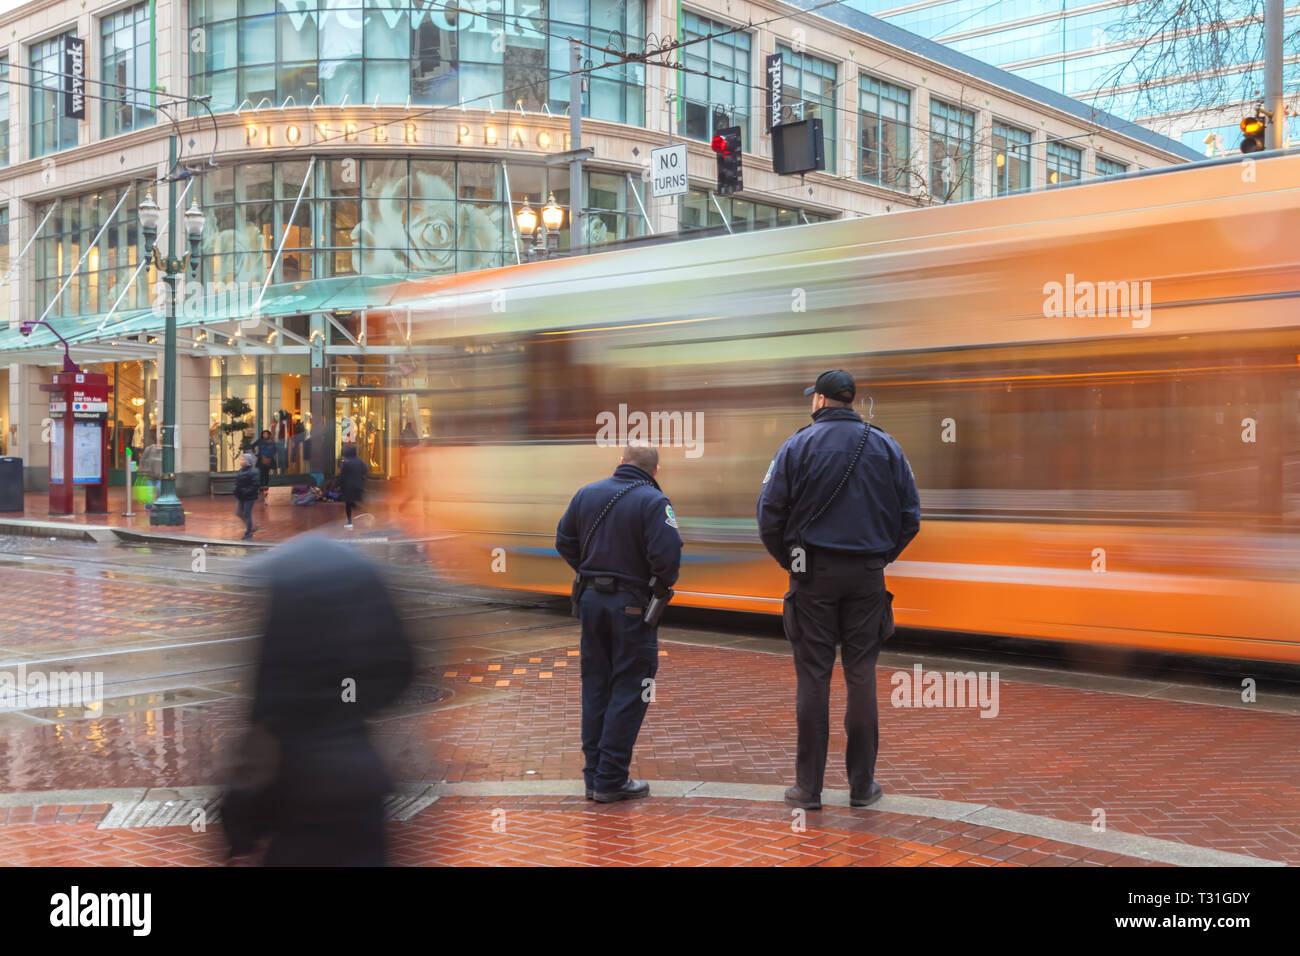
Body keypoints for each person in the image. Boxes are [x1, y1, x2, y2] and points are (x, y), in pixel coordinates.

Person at [756, 370, 920, 812]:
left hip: (813, 576)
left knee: (813, 677)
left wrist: (793, 561)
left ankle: (808, 790)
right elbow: (911, 515)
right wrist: (880, 557)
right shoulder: (886, 446)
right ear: (850, 401)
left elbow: (769, 515)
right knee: (861, 677)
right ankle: (862, 787)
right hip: (867, 575)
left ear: (822, 401)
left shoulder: (797, 446)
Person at [220, 534, 414, 865]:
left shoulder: (287, 654)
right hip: (361, 793)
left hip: (301, 803)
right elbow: (401, 668)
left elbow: (262, 741)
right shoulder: (357, 676)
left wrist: (239, 834)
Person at [555, 443, 683, 804]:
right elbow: (668, 556)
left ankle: (593, 776)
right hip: (631, 605)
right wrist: (655, 585)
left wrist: (589, 570)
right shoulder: (654, 502)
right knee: (631, 686)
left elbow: (564, 540)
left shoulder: (586, 494)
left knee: (595, 685)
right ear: (655, 471)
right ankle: (611, 778)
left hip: (591, 603)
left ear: (621, 462)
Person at [339, 443, 368, 529]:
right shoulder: (361, 462)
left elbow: (342, 477)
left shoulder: (347, 464)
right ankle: (363, 514)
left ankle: (350, 521)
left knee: (348, 504)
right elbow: (365, 472)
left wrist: (340, 486)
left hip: (349, 487)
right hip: (358, 486)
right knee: (355, 501)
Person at [234, 452, 260, 540]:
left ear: (248, 461)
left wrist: (246, 491)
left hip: (249, 497)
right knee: (238, 512)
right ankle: (252, 526)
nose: (241, 461)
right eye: (241, 459)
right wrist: (236, 490)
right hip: (241, 496)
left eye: (243, 459)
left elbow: (255, 485)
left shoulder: (254, 471)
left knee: (246, 513)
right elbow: (238, 482)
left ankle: (249, 532)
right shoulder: (241, 470)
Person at [252, 429, 277, 497]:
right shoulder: (260, 441)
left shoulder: (271, 442)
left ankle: (266, 485)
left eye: (266, 434)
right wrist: (255, 453)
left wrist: (269, 455)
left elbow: (274, 450)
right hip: (261, 459)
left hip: (268, 459)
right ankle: (261, 485)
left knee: (266, 472)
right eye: (264, 434)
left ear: (269, 435)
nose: (265, 435)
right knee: (260, 472)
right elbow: (253, 445)